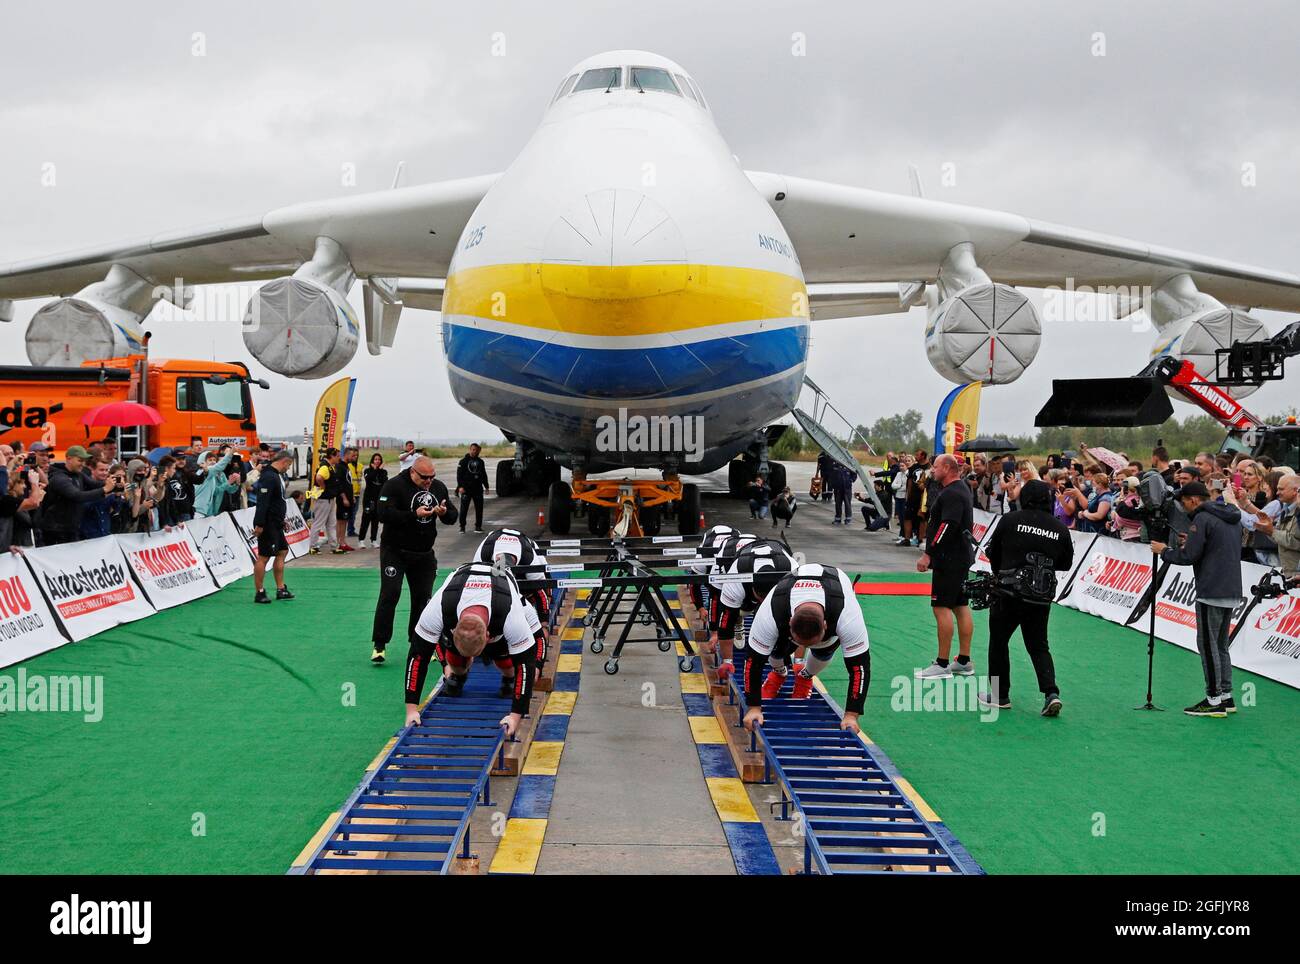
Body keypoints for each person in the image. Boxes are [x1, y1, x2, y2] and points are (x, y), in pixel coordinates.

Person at [406, 562, 544, 736]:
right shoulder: (439, 607)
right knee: (456, 661)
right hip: (464, 579)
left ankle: (507, 678)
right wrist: (411, 709)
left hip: (499, 582)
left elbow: (526, 665)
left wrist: (515, 717)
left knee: (507, 664)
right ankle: (460, 672)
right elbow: (417, 656)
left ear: (488, 636)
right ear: (453, 630)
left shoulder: (512, 615)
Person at [979, 479, 1075, 715]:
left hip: (1008, 592)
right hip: (1040, 597)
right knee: (1039, 645)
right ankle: (1051, 693)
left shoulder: (1010, 520)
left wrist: (1000, 572)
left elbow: (994, 552)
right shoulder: (1059, 528)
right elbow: (1065, 563)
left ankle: (1000, 695)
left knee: (999, 642)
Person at [742, 564, 871, 735]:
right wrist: (753, 707)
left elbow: (859, 669)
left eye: (811, 642)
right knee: (775, 650)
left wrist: (851, 715)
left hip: (833, 594)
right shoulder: (772, 611)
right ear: (789, 623)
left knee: (824, 650)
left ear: (825, 625)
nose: (805, 647)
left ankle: (805, 676)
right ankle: (779, 672)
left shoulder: (847, 615)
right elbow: (753, 662)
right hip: (789, 608)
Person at [1150, 482, 1243, 718]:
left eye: (1184, 502)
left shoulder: (1202, 518)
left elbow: (1188, 557)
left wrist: (1164, 551)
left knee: (1208, 645)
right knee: (1221, 645)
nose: (1184, 507)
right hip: (1231, 588)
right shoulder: (1231, 517)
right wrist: (1189, 541)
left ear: (1193, 499)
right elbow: (1212, 548)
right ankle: (1225, 696)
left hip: (1211, 589)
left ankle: (1213, 699)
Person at [372, 455, 457, 664]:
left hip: (424, 553)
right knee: (390, 594)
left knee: (423, 599)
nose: (428, 481)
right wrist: (413, 515)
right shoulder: (394, 486)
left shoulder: (437, 487)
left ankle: (418, 642)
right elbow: (383, 513)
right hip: (395, 551)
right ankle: (379, 644)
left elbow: (453, 516)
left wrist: (445, 513)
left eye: (431, 477)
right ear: (413, 472)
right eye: (424, 477)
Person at [915, 454, 977, 679]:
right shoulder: (960, 489)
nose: (932, 470)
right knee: (960, 606)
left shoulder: (953, 493)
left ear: (949, 468)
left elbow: (947, 526)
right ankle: (963, 661)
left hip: (950, 560)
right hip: (959, 558)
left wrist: (928, 554)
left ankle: (942, 664)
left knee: (941, 607)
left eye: (936, 466)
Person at [708, 539, 796, 681]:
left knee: (785, 614)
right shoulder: (736, 578)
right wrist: (727, 661)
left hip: (778, 559)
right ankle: (740, 620)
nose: (763, 601)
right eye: (760, 597)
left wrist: (791, 656)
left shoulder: (792, 573)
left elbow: (799, 618)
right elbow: (725, 622)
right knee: (736, 612)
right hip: (744, 565)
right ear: (753, 589)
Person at [37, 446, 116, 544]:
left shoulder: (78, 474)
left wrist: (115, 484)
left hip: (72, 529)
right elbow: (77, 496)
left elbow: (95, 485)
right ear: (69, 458)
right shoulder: (59, 478)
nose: (83, 464)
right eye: (80, 460)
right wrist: (105, 489)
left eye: (84, 461)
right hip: (56, 531)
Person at [251, 450, 296, 604]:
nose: (288, 468)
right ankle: (259, 592)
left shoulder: (275, 475)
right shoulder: (269, 477)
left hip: (276, 522)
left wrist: (282, 520)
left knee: (283, 550)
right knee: (263, 557)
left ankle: (281, 588)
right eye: (289, 465)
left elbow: (277, 501)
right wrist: (259, 524)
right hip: (267, 523)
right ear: (284, 461)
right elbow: (263, 502)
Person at [1256, 474, 1298, 577]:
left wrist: (1272, 531)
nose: (1277, 492)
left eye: (1281, 489)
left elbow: (1296, 542)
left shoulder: (1298, 512)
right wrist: (1267, 529)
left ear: (1295, 490)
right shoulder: (1286, 509)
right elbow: (1277, 539)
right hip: (1288, 572)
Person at [308, 448, 344, 554]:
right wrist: (323, 486)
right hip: (323, 500)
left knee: (332, 523)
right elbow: (319, 477)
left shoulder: (330, 466)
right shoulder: (325, 467)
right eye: (337, 456)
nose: (339, 458)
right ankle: (313, 547)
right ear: (331, 456)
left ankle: (334, 546)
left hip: (330, 499)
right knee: (318, 523)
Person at [456, 442, 491, 533]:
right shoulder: (463, 461)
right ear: (470, 449)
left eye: (476, 450)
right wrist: (460, 487)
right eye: (473, 449)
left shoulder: (480, 462)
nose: (474, 452)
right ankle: (462, 527)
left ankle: (478, 527)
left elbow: (483, 474)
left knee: (479, 509)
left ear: (478, 451)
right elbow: (459, 475)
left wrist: (486, 486)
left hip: (478, 489)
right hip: (466, 489)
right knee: (464, 509)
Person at [193, 448, 238, 518]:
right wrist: (230, 453)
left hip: (206, 511)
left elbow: (228, 490)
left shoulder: (212, 474)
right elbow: (220, 466)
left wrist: (236, 483)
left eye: (214, 460)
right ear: (202, 462)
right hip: (199, 510)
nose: (213, 462)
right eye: (210, 460)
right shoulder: (204, 472)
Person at [359, 452, 388, 548]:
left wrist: (379, 470)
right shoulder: (367, 470)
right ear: (372, 461)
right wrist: (376, 469)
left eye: (379, 460)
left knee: (375, 520)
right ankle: (361, 540)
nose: (377, 461)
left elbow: (384, 482)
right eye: (375, 459)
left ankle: (373, 540)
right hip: (368, 499)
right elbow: (369, 479)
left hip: (378, 500)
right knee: (366, 520)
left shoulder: (384, 472)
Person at [335, 448, 358, 550]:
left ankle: (342, 541)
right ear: (347, 455)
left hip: (348, 497)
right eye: (353, 456)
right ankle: (340, 542)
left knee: (345, 520)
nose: (355, 458)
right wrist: (344, 498)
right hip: (342, 499)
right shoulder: (340, 467)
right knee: (341, 520)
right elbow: (339, 484)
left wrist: (352, 496)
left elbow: (348, 483)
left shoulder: (346, 466)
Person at [342, 447, 362, 540]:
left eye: (356, 455)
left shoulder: (360, 466)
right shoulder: (347, 466)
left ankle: (351, 529)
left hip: (357, 493)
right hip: (350, 494)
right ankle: (349, 530)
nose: (355, 457)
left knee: (353, 513)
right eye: (353, 455)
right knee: (349, 514)